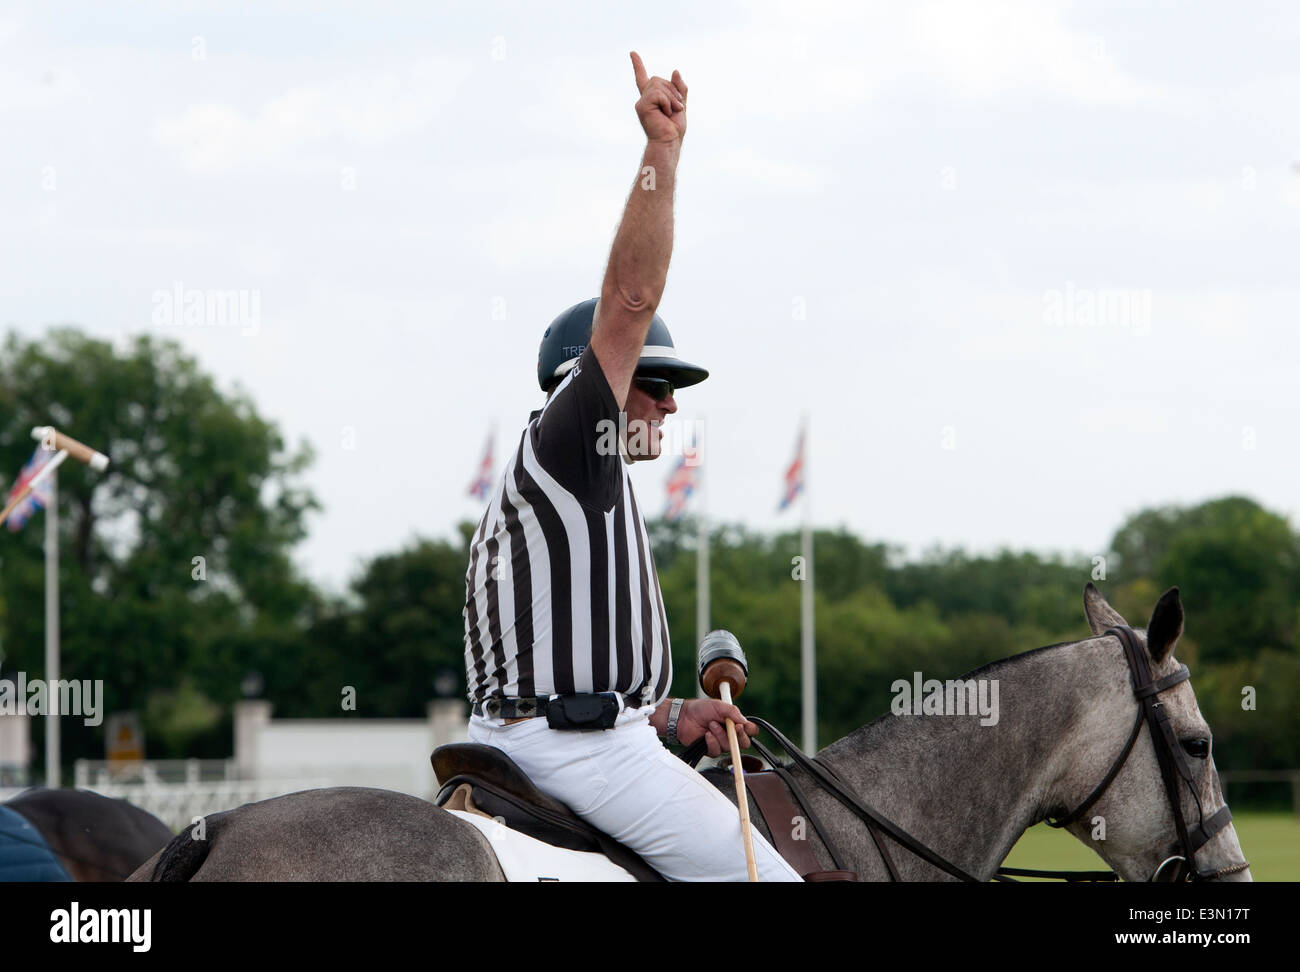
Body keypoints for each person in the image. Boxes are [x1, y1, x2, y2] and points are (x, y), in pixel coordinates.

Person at [462, 51, 801, 882]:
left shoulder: (589, 477)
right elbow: (631, 301)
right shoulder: (574, 440)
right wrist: (662, 154)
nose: (669, 406)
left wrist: (669, 714)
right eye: (654, 382)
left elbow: (570, 676)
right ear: (596, 381)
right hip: (576, 757)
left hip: (571, 738)